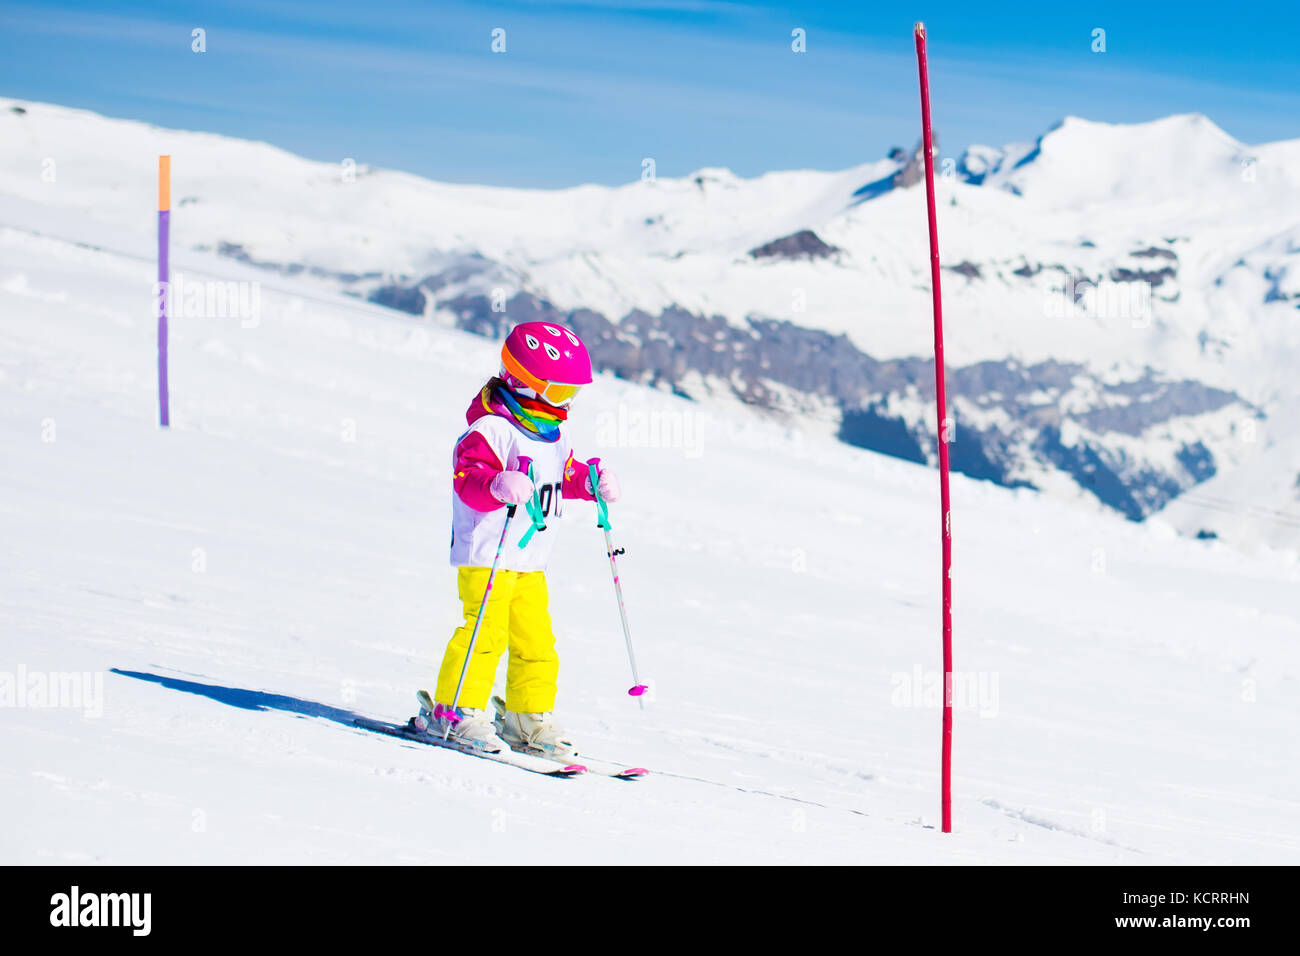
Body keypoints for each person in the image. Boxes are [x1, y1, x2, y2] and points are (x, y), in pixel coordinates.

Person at [423, 320, 619, 760]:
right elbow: (466, 478)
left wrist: (588, 481)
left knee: (535, 642)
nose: (564, 403)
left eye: (572, 394)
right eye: (557, 391)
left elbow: (561, 474)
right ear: (522, 381)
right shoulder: (491, 430)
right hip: (487, 556)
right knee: (483, 635)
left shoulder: (553, 434)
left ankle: (525, 718)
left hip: (529, 560)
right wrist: (493, 484)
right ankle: (454, 712)